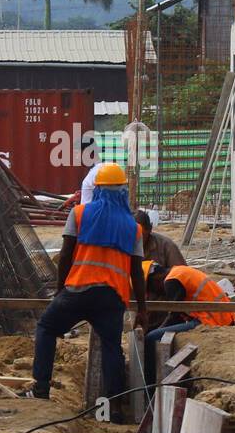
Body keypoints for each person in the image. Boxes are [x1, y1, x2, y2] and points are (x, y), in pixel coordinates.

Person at [27, 163, 146, 418]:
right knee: (112, 347)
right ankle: (114, 407)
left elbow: (66, 254)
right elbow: (137, 272)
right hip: (112, 297)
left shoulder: (79, 214)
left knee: (47, 328)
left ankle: (41, 388)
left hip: (79, 289)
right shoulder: (133, 227)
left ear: (98, 190)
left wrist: (61, 290)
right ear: (123, 192)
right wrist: (143, 309)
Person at [142, 262, 235, 380]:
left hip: (211, 320)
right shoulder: (178, 272)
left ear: (155, 278)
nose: (154, 293)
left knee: (151, 338)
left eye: (151, 289)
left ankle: (149, 386)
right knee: (153, 333)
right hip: (223, 318)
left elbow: (174, 317)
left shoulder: (172, 281)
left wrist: (155, 331)